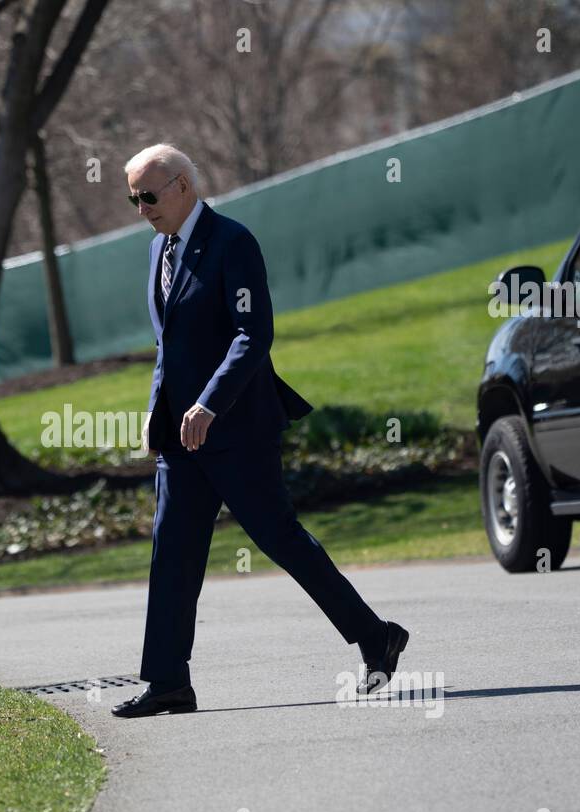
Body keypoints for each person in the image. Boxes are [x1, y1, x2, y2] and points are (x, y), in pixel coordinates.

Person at [113, 143, 409, 719]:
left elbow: (252, 335)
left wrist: (208, 405)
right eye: (133, 198)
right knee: (171, 553)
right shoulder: (156, 251)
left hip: (237, 430)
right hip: (181, 438)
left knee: (282, 541)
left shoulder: (233, 243)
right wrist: (159, 411)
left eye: (148, 195)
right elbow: (168, 346)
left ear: (182, 186)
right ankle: (169, 680)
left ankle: (376, 638)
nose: (141, 208)